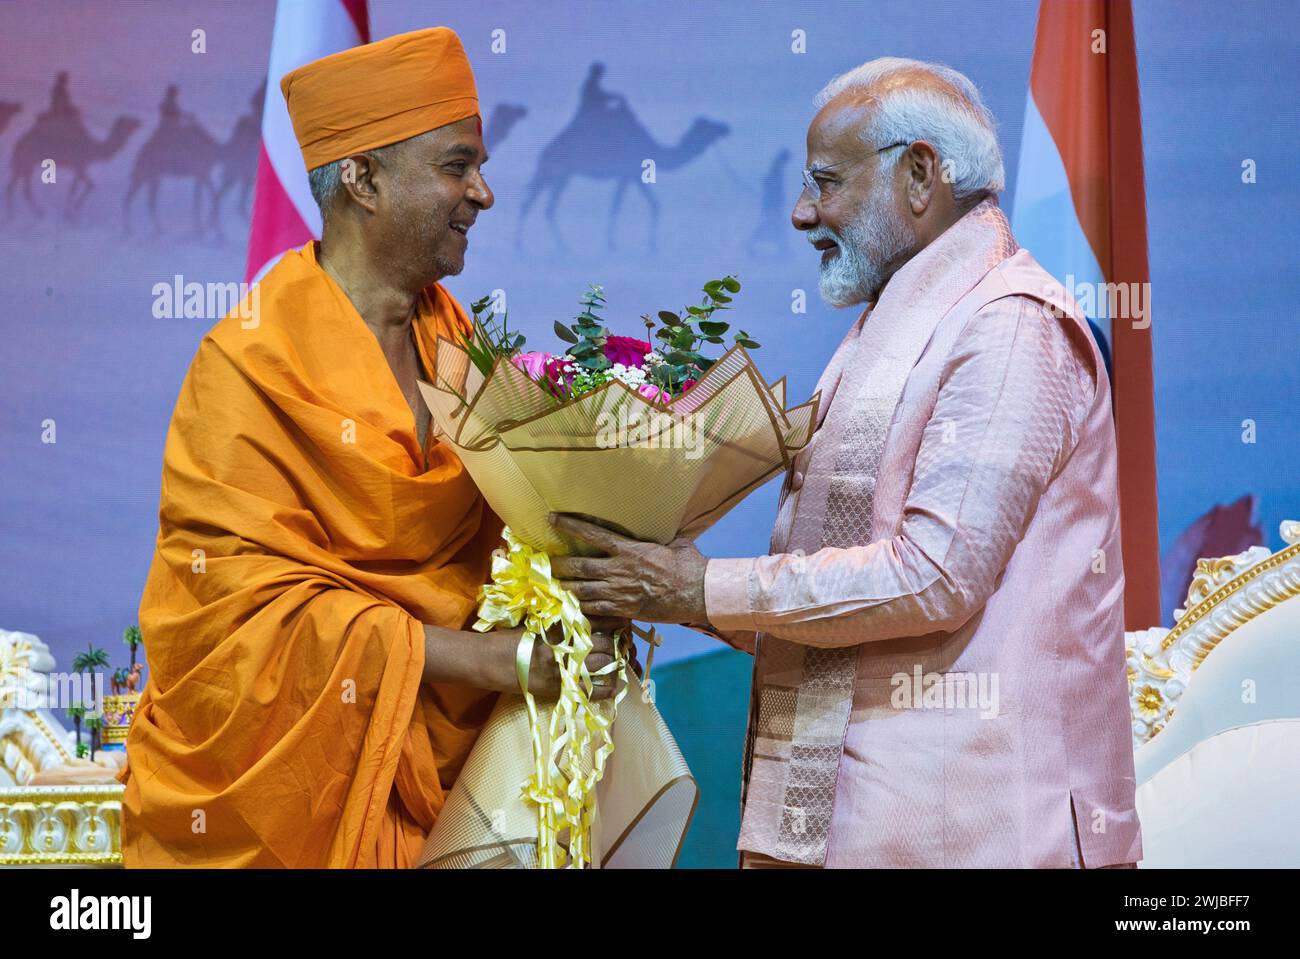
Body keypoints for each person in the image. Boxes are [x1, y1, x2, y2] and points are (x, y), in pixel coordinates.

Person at [551, 57, 1141, 869]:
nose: (802, 213)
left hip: (982, 834)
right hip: (874, 823)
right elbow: (844, 611)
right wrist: (664, 586)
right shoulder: (892, 327)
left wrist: (700, 586)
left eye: (826, 182)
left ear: (920, 174)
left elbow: (935, 575)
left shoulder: (1011, 327)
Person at [117, 27, 621, 868]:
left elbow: (507, 548)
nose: (484, 193)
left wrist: (591, 589)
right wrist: (488, 659)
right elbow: (230, 624)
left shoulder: (460, 345)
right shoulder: (249, 363)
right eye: (457, 166)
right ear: (363, 180)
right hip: (300, 794)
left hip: (462, 791)